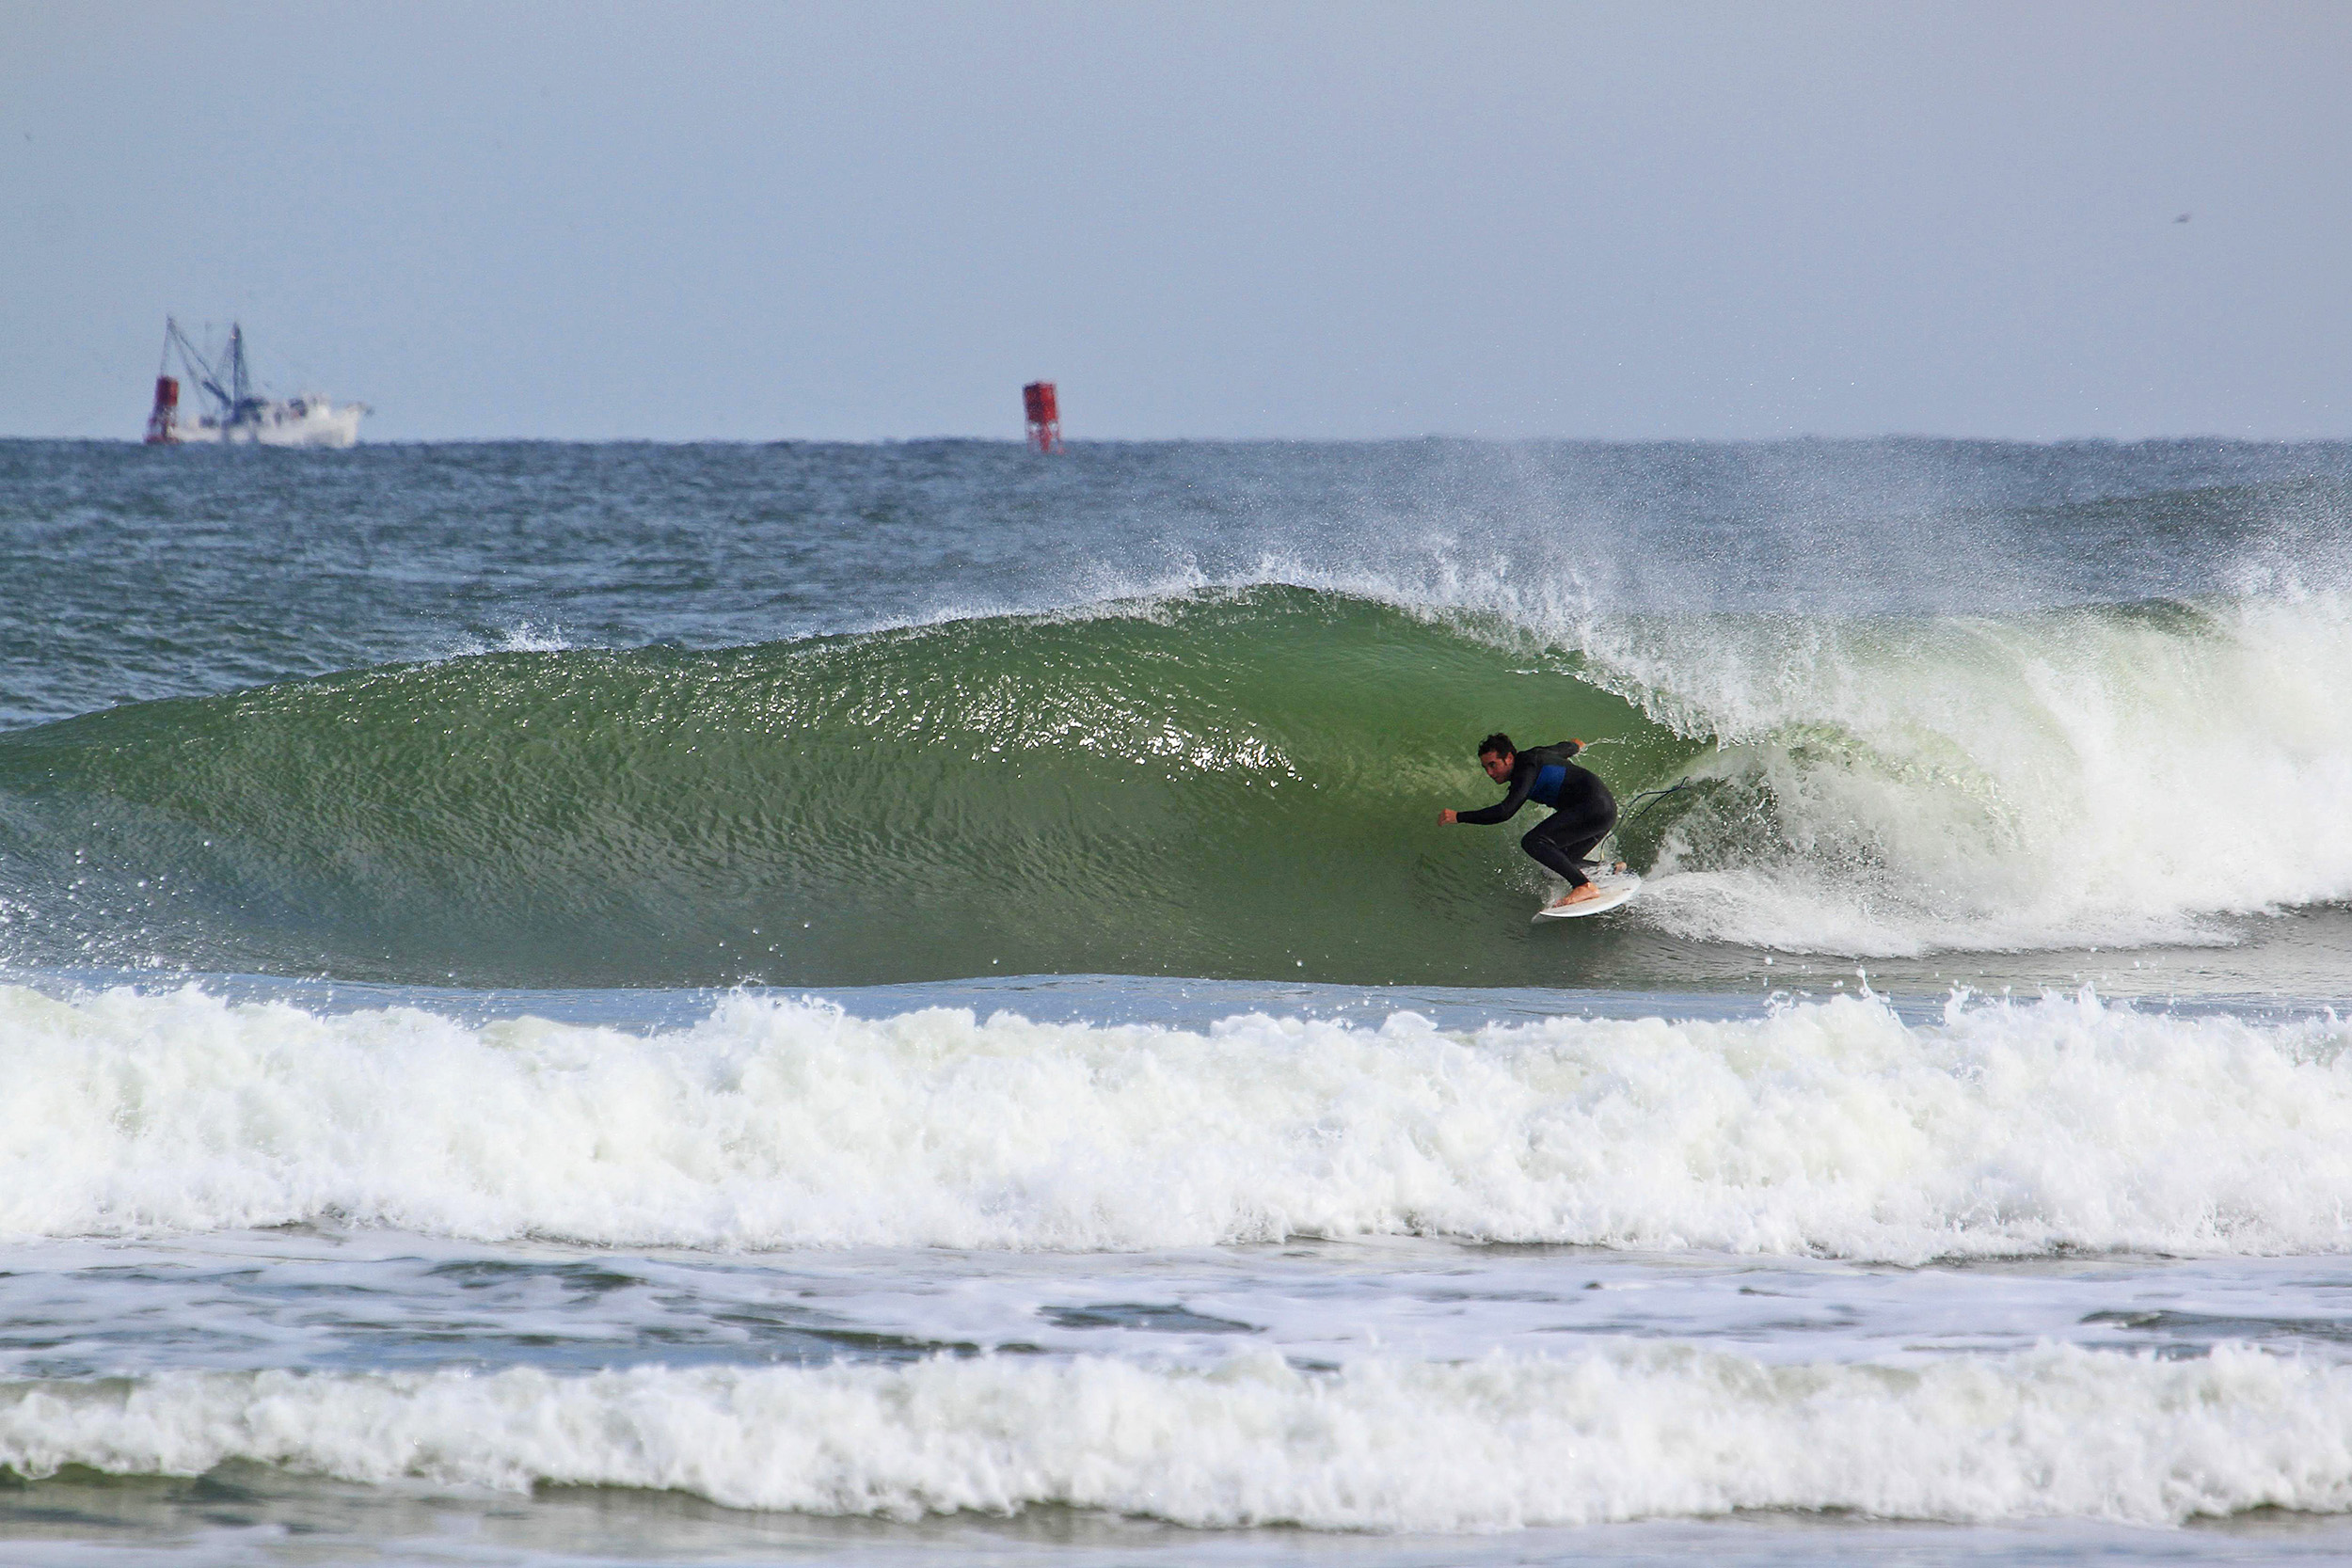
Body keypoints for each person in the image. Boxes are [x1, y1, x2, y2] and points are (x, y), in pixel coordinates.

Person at [1438, 732, 1619, 910]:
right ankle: (1611, 870)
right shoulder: (1537, 754)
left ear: (1509, 758)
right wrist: (1575, 745)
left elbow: (1504, 812)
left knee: (1533, 841)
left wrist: (1458, 816)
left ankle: (1584, 886)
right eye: (1485, 767)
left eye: (1493, 765)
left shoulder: (1525, 770)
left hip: (1593, 809)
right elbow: (1565, 748)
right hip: (1605, 812)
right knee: (1558, 864)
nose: (1490, 772)